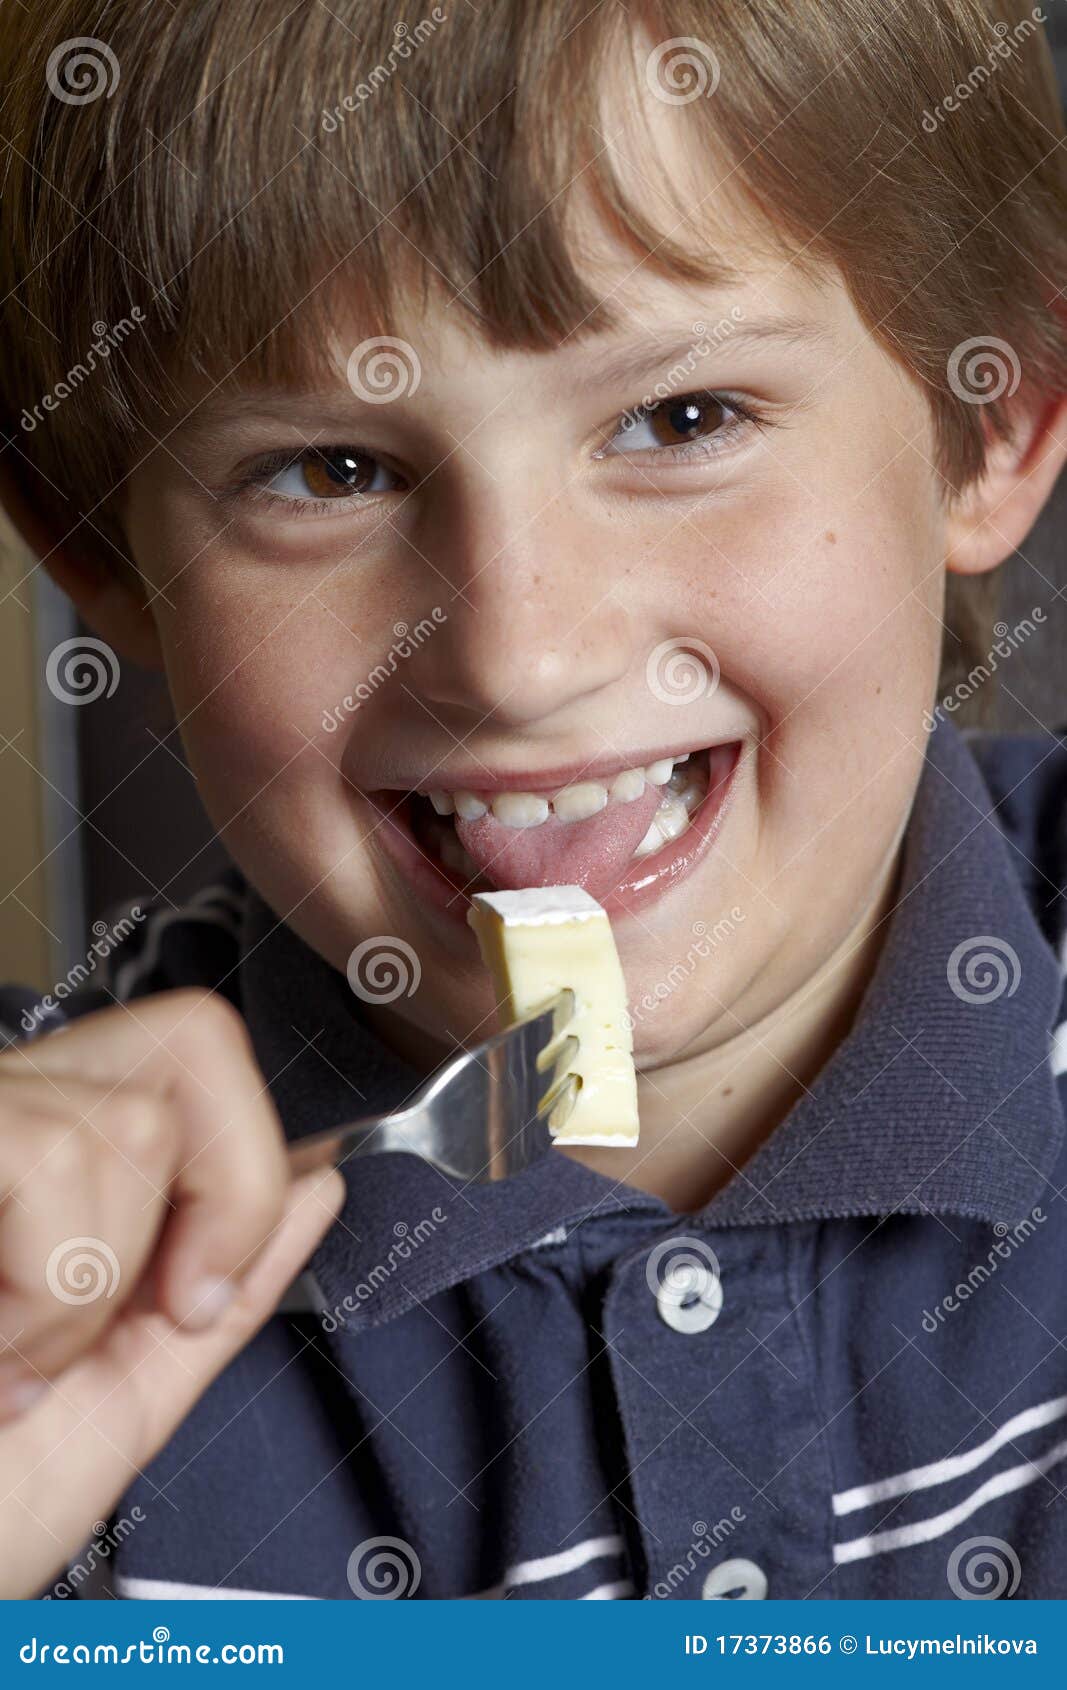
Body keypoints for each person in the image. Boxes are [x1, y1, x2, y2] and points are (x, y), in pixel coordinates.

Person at [0, 0, 1066, 1600]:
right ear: (97, 548)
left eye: (682, 420)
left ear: (992, 420)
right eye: (330, 471)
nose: (517, 656)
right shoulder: (41, 1270)